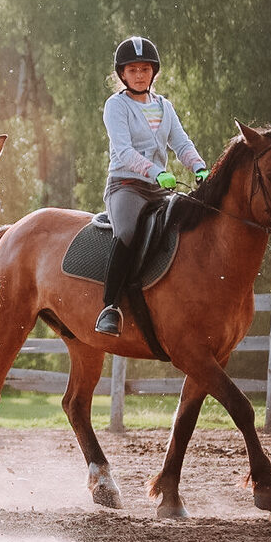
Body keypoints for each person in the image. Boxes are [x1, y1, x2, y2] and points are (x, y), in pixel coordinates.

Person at [95, 35, 207, 335]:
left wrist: (199, 167)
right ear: (122, 74)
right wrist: (156, 171)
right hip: (126, 185)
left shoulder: (164, 106)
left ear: (153, 72)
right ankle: (110, 306)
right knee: (129, 231)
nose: (139, 75)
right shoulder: (115, 106)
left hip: (160, 189)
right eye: (133, 70)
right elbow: (124, 151)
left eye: (144, 69)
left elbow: (180, 142)